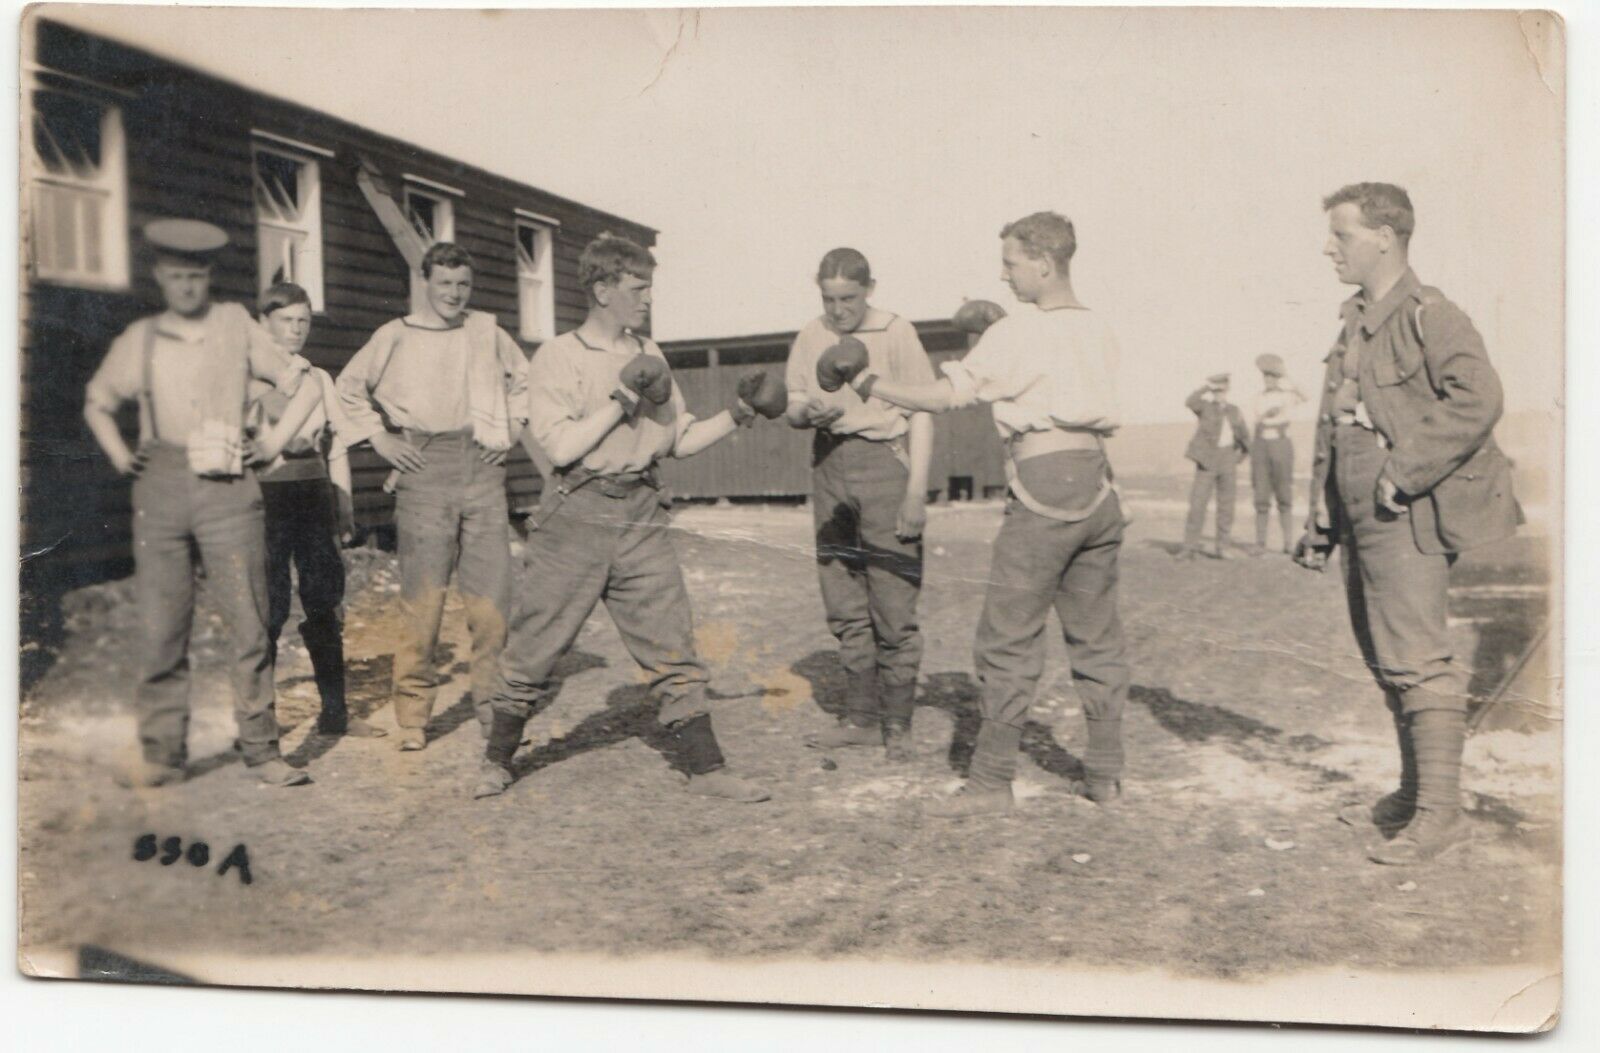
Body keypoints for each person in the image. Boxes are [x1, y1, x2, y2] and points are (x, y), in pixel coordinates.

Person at [823, 212, 1129, 817]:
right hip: (1099, 486)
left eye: (1012, 261)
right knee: (1096, 637)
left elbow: (942, 397)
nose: (1003, 273)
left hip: (1043, 487)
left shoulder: (1019, 332)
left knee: (1007, 639)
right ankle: (1105, 773)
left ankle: (990, 781)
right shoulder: (1099, 327)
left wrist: (866, 380)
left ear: (1044, 262)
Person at [473, 233, 776, 803]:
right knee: (536, 646)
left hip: (640, 511)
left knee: (672, 642)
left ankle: (707, 769)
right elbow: (560, 449)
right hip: (577, 512)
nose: (647, 299)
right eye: (638, 288)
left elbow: (678, 440)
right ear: (603, 289)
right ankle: (495, 761)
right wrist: (619, 400)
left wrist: (740, 413)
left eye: (650, 288)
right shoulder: (558, 356)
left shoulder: (651, 354)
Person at [1294, 183, 1520, 865]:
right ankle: (1416, 794)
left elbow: (1480, 396)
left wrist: (1406, 470)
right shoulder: (1358, 319)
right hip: (1360, 509)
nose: (1328, 247)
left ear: (1385, 236)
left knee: (1417, 656)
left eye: (1342, 235)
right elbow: (1336, 424)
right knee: (1383, 652)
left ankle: (1441, 815)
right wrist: (1321, 516)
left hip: (1405, 509)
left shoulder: (1432, 313)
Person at [83, 219, 323, 788]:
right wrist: (121, 456)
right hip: (161, 487)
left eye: (196, 276)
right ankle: (163, 754)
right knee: (164, 625)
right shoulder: (140, 338)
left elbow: (306, 384)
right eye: (176, 277)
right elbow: (98, 401)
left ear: (208, 277)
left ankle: (262, 749)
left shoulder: (237, 325)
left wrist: (269, 441)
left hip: (227, 487)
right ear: (161, 278)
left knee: (249, 619)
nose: (187, 287)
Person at [337, 242, 528, 751]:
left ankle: (493, 710)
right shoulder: (395, 334)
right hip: (423, 467)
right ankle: (414, 719)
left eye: (463, 284)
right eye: (444, 284)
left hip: (482, 466)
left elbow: (525, 382)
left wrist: (505, 433)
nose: (454, 294)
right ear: (425, 282)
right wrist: (379, 438)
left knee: (491, 603)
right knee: (423, 602)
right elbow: (348, 387)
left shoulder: (486, 331)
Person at [784, 248, 934, 761]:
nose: (838, 310)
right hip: (829, 463)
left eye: (848, 298)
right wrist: (810, 411)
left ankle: (898, 724)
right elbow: (793, 406)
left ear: (870, 287)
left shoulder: (897, 331)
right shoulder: (811, 333)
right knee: (844, 600)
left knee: (893, 603)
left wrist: (916, 491)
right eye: (828, 299)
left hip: (885, 465)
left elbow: (924, 412)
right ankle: (861, 719)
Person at [251, 282, 383, 738]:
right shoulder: (247, 376)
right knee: (267, 606)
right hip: (264, 498)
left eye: (304, 321)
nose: (296, 330)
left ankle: (335, 714)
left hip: (312, 497)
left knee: (324, 599)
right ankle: (258, 722)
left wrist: (343, 504)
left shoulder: (318, 378)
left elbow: (337, 447)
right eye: (286, 320)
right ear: (265, 322)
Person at [1179, 373, 1251, 560]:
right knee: (1197, 504)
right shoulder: (1204, 407)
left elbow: (1244, 437)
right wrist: (1206, 387)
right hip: (1206, 460)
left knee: (1226, 506)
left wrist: (1239, 458)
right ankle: (1189, 548)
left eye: (1222, 390)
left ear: (1227, 390)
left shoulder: (1235, 410)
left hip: (1227, 459)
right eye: (1216, 390)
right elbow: (1190, 401)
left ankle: (1222, 547)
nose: (1219, 393)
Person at [1249, 353, 1306, 554]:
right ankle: (1260, 543)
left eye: (1273, 377)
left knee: (1284, 494)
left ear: (1278, 378)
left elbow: (1304, 395)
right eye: (1266, 377)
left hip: (1281, 446)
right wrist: (1268, 413)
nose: (1269, 381)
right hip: (1262, 445)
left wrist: (1287, 376)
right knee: (1261, 495)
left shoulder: (1287, 395)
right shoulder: (1258, 398)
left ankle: (1288, 543)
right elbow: (1258, 418)